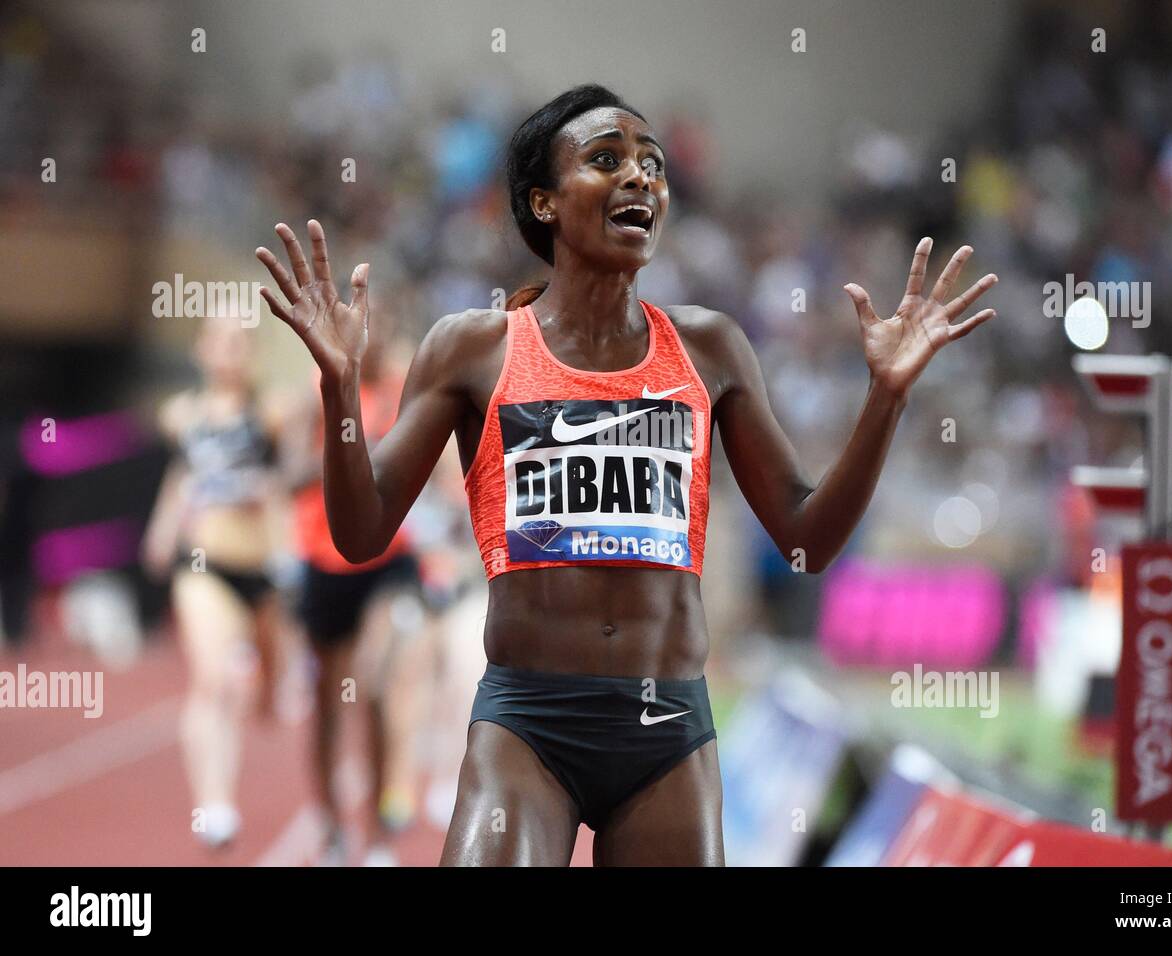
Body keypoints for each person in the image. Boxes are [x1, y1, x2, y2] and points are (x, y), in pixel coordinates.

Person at [254, 83, 997, 866]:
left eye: (652, 164)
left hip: (666, 733)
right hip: (528, 725)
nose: (640, 177)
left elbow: (808, 542)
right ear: (543, 202)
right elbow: (361, 531)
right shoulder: (474, 348)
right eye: (606, 160)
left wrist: (886, 398)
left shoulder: (710, 350)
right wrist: (340, 387)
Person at [282, 306, 429, 866]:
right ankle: (330, 824)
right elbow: (288, 474)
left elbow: (428, 470)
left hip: (386, 561)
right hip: (323, 561)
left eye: (376, 329)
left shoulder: (403, 392)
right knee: (327, 704)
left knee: (371, 682)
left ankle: (379, 834)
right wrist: (344, 452)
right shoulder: (313, 395)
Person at [141, 314, 286, 849]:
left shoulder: (269, 412)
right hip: (204, 565)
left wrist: (265, 491)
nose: (228, 351)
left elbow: (290, 472)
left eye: (238, 343)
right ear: (201, 350)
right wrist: (161, 529)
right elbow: (181, 474)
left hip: (261, 567)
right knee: (213, 681)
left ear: (250, 353)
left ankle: (270, 685)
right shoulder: (181, 415)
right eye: (218, 341)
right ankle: (214, 802)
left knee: (267, 686)